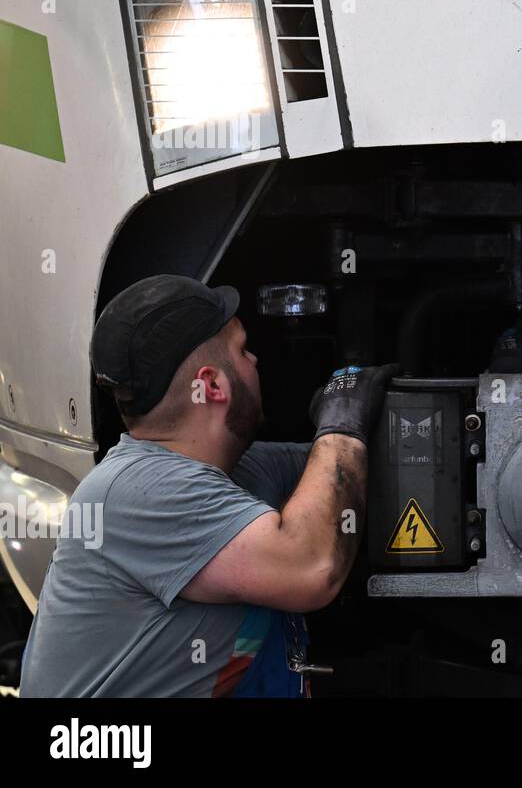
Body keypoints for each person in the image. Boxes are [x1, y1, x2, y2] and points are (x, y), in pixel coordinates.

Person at [20, 274, 396, 697]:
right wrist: (342, 424)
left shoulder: (233, 473)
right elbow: (311, 567)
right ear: (212, 385)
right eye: (243, 350)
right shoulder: (135, 491)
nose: (256, 361)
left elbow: (338, 481)